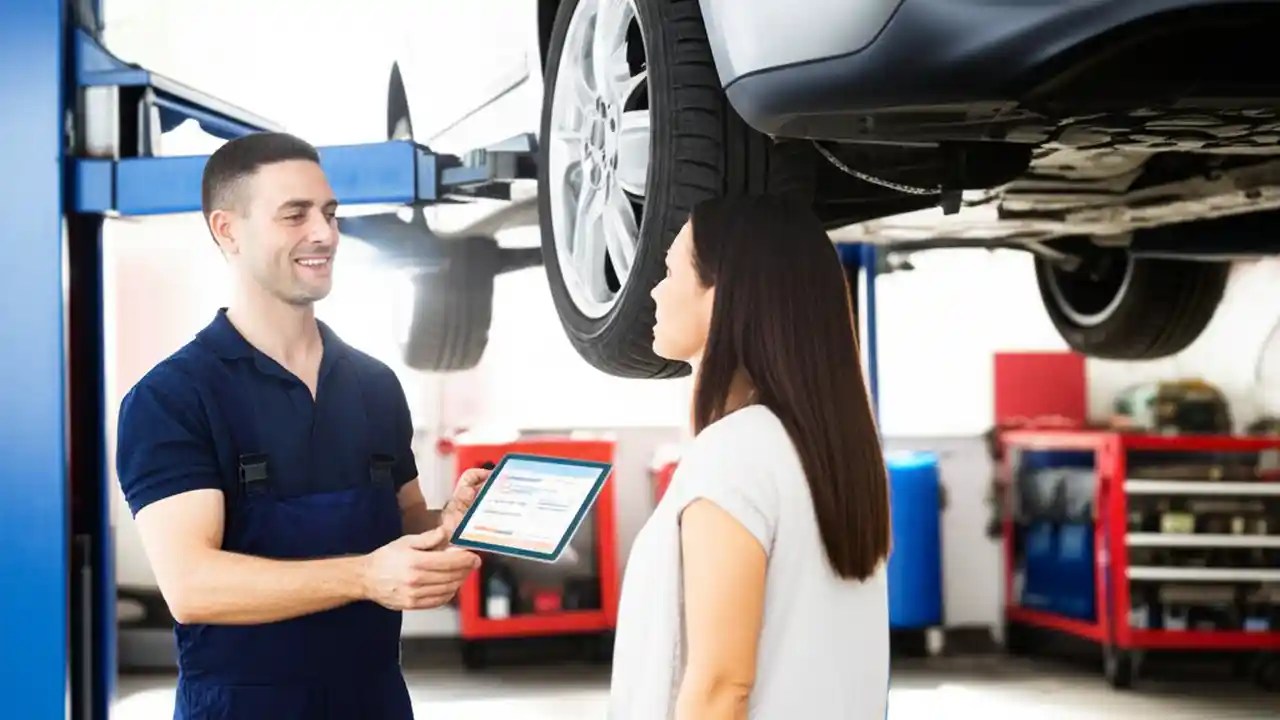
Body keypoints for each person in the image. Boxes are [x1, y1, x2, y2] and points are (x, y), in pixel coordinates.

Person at [115, 131, 488, 720]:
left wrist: (452, 524)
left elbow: (407, 520)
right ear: (227, 230)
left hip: (377, 703)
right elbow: (191, 585)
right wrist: (367, 577)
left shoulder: (374, 385)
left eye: (330, 213)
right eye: (295, 215)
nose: (325, 233)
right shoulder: (172, 398)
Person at [609, 194, 893, 719]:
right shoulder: (824, 447)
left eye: (670, 271)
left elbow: (721, 688)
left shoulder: (735, 454)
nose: (653, 291)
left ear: (723, 294)